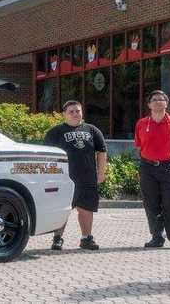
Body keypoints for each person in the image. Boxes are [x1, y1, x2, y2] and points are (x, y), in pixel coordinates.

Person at [44, 100, 108, 250]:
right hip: (63, 178)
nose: (75, 114)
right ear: (64, 114)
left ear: (82, 113)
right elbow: (47, 156)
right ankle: (57, 238)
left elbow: (102, 152)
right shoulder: (55, 132)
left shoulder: (92, 130)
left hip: (87, 177)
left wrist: (101, 173)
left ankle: (86, 239)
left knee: (86, 208)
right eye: (71, 111)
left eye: (77, 111)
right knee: (63, 209)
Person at [134, 90, 170, 250]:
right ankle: (156, 237)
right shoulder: (142, 123)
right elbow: (138, 146)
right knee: (151, 204)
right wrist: (148, 159)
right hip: (147, 167)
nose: (158, 101)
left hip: (167, 167)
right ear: (149, 104)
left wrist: (166, 158)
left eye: (161, 99)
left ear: (166, 103)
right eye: (154, 99)